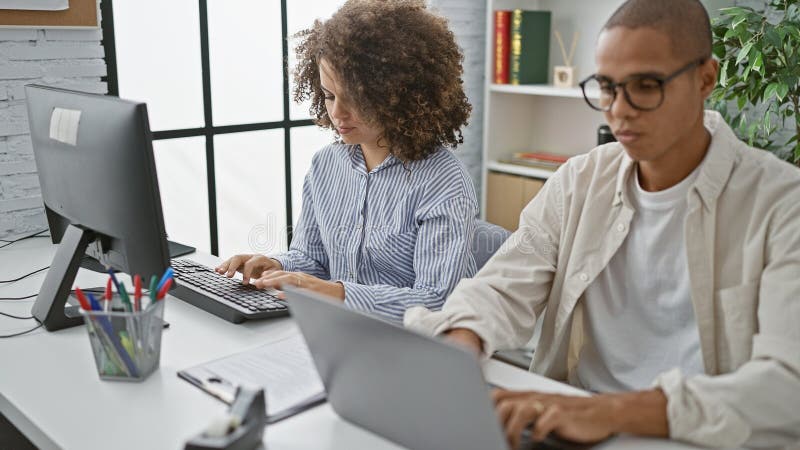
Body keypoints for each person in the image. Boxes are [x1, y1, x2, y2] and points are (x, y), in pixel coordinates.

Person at [406, 0, 800, 448]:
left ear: (705, 78)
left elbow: (787, 389)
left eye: (646, 86)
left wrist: (607, 412)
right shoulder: (581, 179)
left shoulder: (783, 203)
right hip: (574, 424)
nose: (619, 110)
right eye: (608, 87)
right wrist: (460, 347)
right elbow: (502, 286)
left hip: (696, 436)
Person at [215, 0, 478, 324]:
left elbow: (437, 302)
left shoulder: (443, 181)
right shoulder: (326, 166)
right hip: (340, 334)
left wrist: (337, 293)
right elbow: (311, 258)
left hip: (410, 348)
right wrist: (278, 266)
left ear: (400, 94)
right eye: (329, 95)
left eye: (355, 98)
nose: (337, 113)